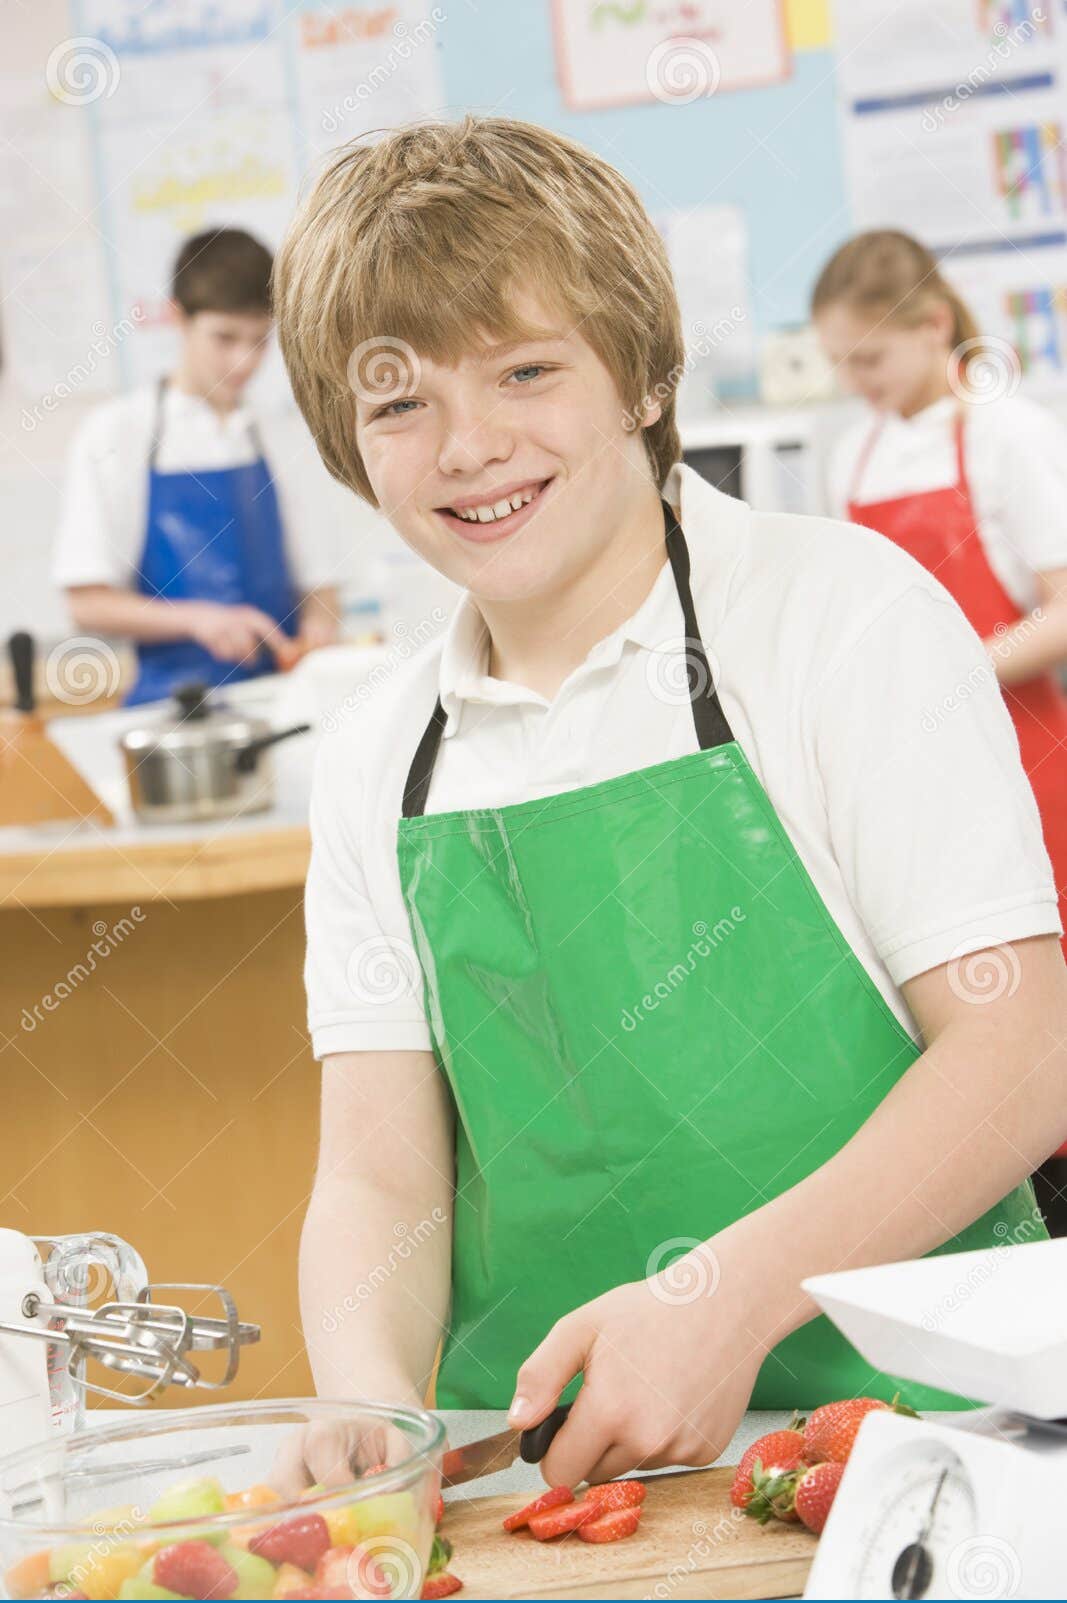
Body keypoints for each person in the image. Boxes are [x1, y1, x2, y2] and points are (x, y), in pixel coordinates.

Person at [274, 118, 1067, 1490]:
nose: (468, 446)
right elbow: (379, 1179)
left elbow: (1018, 1050)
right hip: (552, 1484)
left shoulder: (839, 620)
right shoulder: (370, 756)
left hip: (918, 1455)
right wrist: (366, 1397)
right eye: (398, 401)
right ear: (350, 443)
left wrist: (720, 1300)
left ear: (639, 375)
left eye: (524, 371)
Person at [814, 229, 1067, 1205]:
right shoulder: (855, 455)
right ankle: (989, 1186)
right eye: (838, 364)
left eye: (867, 358)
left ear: (929, 325)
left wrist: (951, 672)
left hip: (1028, 751)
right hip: (909, 764)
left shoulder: (1004, 431)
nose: (855, 382)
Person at [54, 228, 342, 706]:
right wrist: (200, 620)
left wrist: (316, 633)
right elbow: (85, 603)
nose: (244, 361)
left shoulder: (280, 434)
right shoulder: (116, 434)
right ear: (177, 318)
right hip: (173, 711)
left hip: (283, 704)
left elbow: (321, 588)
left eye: (259, 340)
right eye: (224, 337)